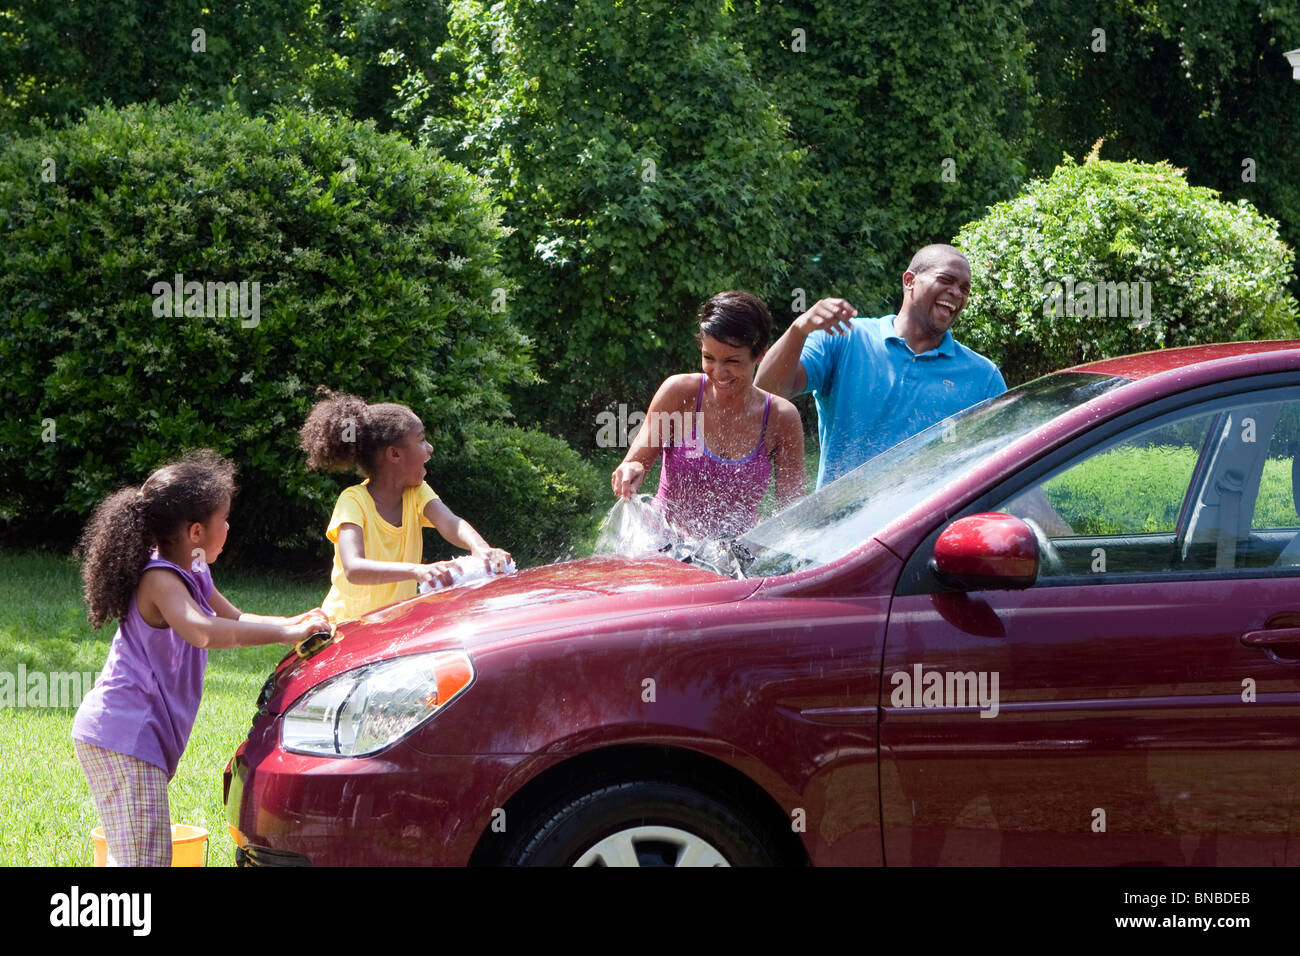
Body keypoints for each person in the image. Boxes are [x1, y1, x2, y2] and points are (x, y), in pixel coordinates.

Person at [70, 449, 330, 866]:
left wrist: (292, 622)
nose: (227, 527)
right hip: (122, 735)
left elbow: (235, 618)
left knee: (136, 857)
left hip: (132, 737)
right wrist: (287, 631)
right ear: (195, 531)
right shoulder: (159, 578)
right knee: (145, 861)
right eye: (223, 520)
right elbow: (204, 632)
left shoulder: (194, 570)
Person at [755, 244, 1006, 488]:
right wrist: (798, 330)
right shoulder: (844, 338)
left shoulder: (983, 378)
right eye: (946, 280)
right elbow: (768, 392)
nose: (957, 293)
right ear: (909, 281)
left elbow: (1008, 465)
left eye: (964, 288)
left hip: (933, 528)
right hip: (844, 526)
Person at [299, 388, 512, 625]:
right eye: (421, 439)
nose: (430, 448)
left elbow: (451, 523)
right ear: (394, 454)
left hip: (395, 625)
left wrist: (481, 548)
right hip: (349, 628)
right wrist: (417, 571)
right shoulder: (353, 501)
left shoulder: (417, 492)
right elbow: (354, 568)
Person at [611, 290, 806, 539]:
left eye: (732, 361)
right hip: (666, 546)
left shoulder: (782, 417)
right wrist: (631, 470)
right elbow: (636, 460)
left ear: (760, 354)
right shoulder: (680, 394)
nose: (719, 372)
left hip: (736, 559)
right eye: (708, 357)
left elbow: (793, 510)